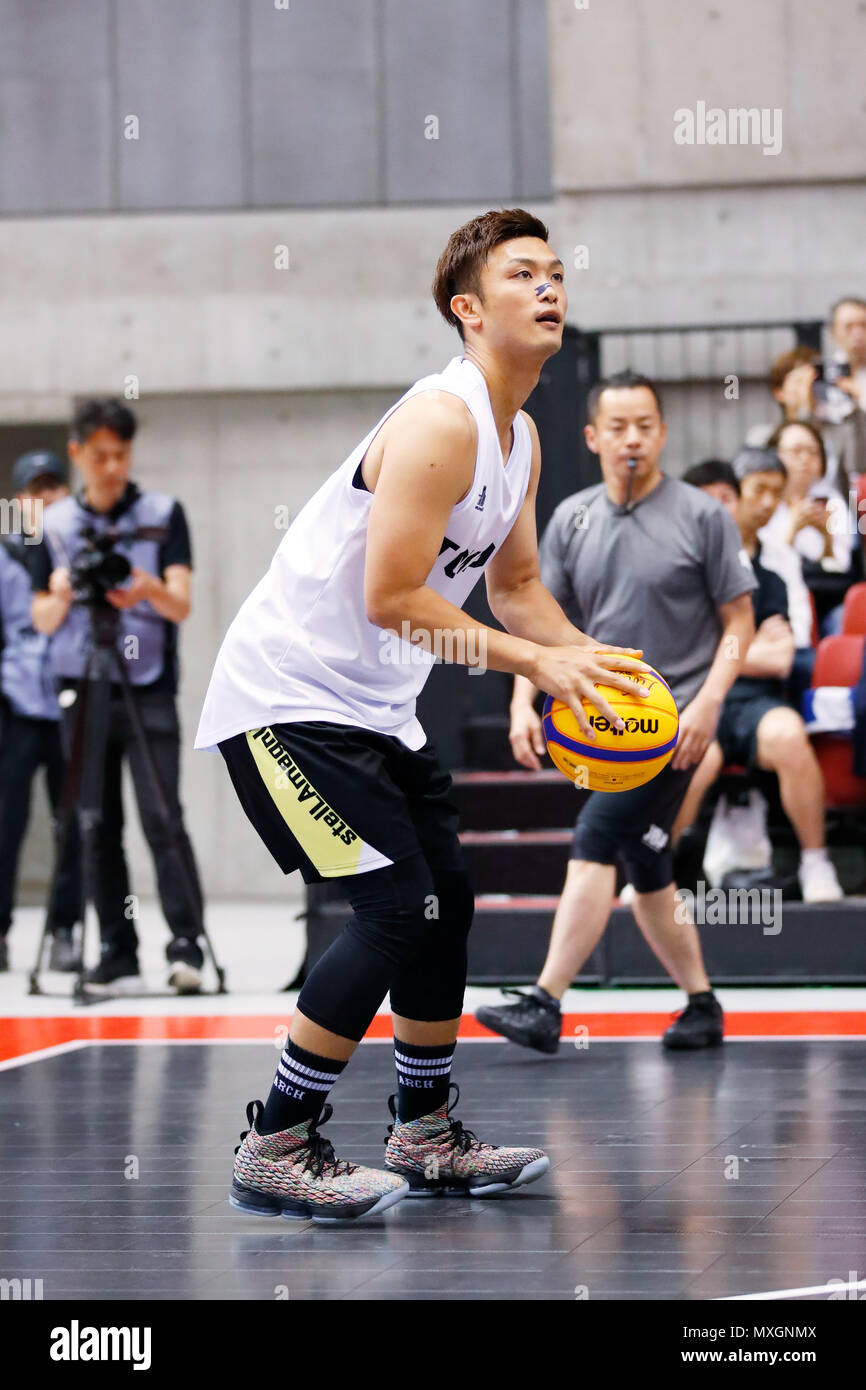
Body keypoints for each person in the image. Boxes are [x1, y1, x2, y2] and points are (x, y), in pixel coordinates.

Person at [195, 208, 653, 1223]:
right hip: (287, 699)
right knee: (395, 909)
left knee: (445, 895)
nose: (547, 286)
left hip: (373, 710)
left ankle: (422, 1127)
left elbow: (518, 586)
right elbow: (392, 597)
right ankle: (275, 1139)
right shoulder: (442, 420)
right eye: (520, 272)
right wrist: (532, 662)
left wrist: (583, 660)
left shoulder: (521, 437)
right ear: (466, 308)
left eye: (555, 271)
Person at [474, 371, 756, 1056]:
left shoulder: (703, 516)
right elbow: (538, 621)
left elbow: (739, 623)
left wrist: (709, 705)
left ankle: (545, 1002)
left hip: (669, 728)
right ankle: (703, 1003)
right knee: (647, 864)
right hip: (597, 723)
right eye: (619, 427)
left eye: (646, 426)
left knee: (596, 839)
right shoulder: (572, 517)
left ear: (662, 433)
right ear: (594, 436)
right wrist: (522, 700)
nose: (633, 439)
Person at [29, 399, 206, 993]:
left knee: (162, 816)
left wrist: (144, 587)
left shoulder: (163, 513)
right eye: (99, 454)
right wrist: (62, 589)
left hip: (147, 683)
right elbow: (43, 619)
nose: (111, 466)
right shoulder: (51, 526)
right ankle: (117, 949)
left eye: (121, 454)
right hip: (80, 684)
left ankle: (187, 947)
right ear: (76, 453)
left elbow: (180, 604)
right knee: (92, 821)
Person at [677, 455, 843, 903]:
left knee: (789, 736)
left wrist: (709, 649)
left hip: (756, 703)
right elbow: (673, 652)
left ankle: (815, 862)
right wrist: (746, 649)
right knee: (695, 757)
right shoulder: (677, 576)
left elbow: (780, 659)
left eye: (724, 500)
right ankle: (654, 871)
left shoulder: (765, 577)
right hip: (692, 701)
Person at [0, 452, 82, 972]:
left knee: (74, 823)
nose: (44, 498)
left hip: (73, 707)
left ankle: (64, 931)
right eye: (34, 489)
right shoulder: (6, 555)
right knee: (7, 822)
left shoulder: (79, 554)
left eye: (53, 487)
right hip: (17, 708)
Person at [762, 420, 862, 635]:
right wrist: (792, 530)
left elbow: (841, 569)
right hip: (777, 603)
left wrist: (827, 537)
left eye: (813, 452)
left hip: (828, 601)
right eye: (796, 451)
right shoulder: (764, 503)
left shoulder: (831, 501)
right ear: (773, 454)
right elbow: (765, 564)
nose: (805, 459)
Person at [746, 345, 866, 487]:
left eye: (814, 382)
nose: (808, 389)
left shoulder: (837, 432)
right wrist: (804, 410)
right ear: (779, 392)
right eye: (798, 382)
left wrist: (857, 403)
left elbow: (858, 469)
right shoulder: (762, 436)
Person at [828, 296, 866, 412]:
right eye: (848, 326)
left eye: (864, 325)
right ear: (833, 332)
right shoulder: (823, 374)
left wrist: (861, 394)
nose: (857, 333)